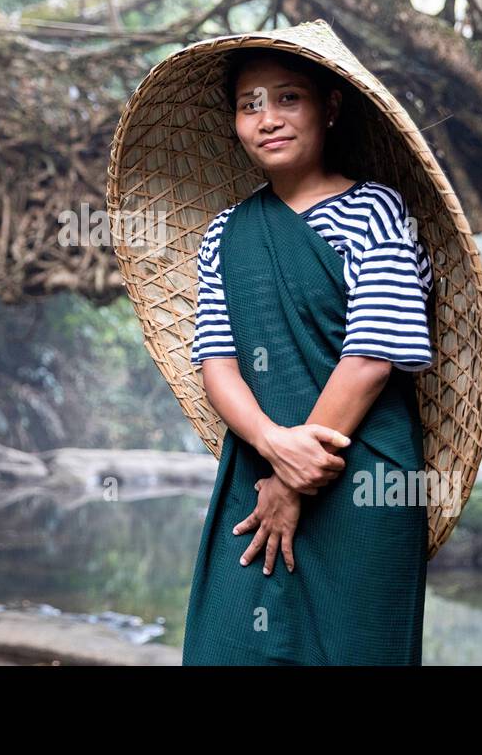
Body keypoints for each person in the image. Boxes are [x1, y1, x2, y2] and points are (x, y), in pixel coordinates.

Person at [180, 46, 433, 666]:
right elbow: (217, 362)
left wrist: (294, 480)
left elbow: (373, 355)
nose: (267, 118)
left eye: (288, 98)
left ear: (331, 107)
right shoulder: (225, 232)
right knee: (228, 647)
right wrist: (272, 445)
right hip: (257, 468)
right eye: (249, 105)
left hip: (363, 475)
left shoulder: (377, 210)